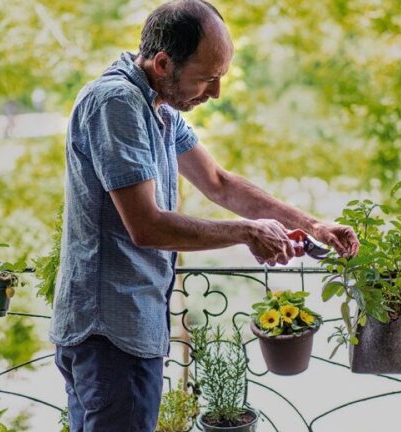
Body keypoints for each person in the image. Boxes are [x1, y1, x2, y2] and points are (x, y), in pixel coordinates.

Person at [49, 1, 360, 430]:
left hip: (123, 332)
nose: (215, 93)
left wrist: (313, 226)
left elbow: (219, 183)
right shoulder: (117, 103)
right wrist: (247, 233)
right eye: (207, 78)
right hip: (110, 334)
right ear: (163, 64)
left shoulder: (158, 108)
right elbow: (146, 226)